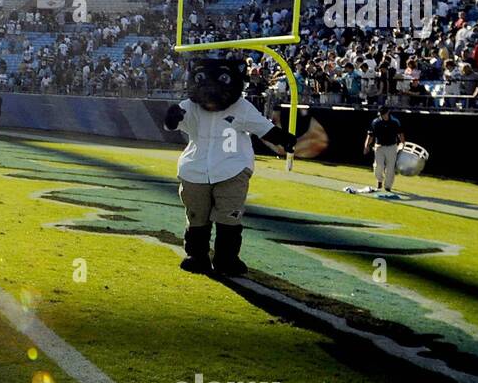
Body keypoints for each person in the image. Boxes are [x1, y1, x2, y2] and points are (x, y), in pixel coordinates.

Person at [161, 58, 326, 276]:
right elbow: (172, 124)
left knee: (228, 217)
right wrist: (171, 118)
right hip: (195, 170)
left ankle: (226, 258)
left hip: (232, 169)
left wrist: (283, 138)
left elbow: (264, 128)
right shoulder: (190, 107)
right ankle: (197, 256)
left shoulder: (241, 107)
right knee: (196, 217)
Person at [364, 105, 406, 191]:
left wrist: (402, 144)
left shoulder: (395, 121)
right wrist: (366, 146)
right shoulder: (376, 122)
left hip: (392, 147)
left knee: (390, 169)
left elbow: (400, 134)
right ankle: (379, 181)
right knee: (378, 167)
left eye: (384, 113)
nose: (382, 115)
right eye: (381, 114)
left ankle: (387, 187)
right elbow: (370, 136)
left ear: (388, 112)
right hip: (379, 147)